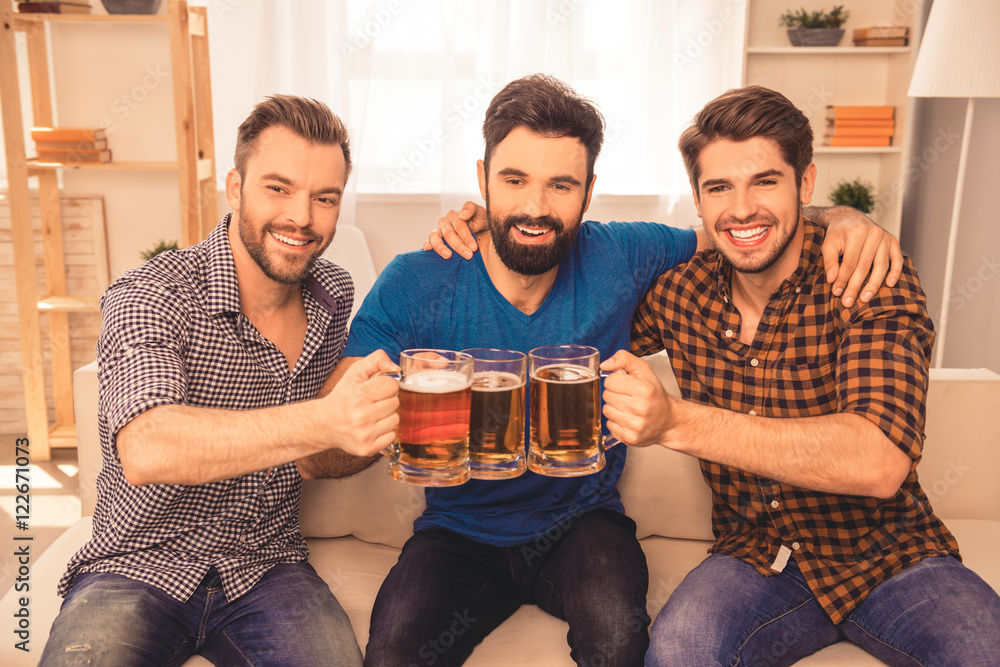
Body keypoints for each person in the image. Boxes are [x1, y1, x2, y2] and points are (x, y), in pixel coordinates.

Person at [320, 74, 899, 667]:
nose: (535, 207)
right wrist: (370, 423)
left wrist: (843, 218)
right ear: (482, 179)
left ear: (589, 192)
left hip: (585, 523)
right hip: (457, 532)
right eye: (514, 180)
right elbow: (322, 454)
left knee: (619, 640)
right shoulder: (416, 280)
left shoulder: (620, 254)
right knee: (392, 654)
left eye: (561, 185)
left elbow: (739, 227)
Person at [600, 85, 1000, 666]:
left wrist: (676, 422)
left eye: (765, 181)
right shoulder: (677, 293)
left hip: (894, 556)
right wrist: (502, 229)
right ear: (698, 198)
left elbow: (879, 461)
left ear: (805, 183)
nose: (741, 209)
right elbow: (574, 323)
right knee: (680, 650)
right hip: (758, 555)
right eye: (720, 187)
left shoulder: (869, 277)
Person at [40, 95, 400, 667]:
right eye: (278, 188)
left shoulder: (333, 294)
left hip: (268, 567)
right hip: (134, 568)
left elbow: (317, 458)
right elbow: (147, 446)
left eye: (325, 198)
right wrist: (322, 418)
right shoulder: (151, 292)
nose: (302, 218)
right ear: (235, 188)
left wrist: (376, 421)